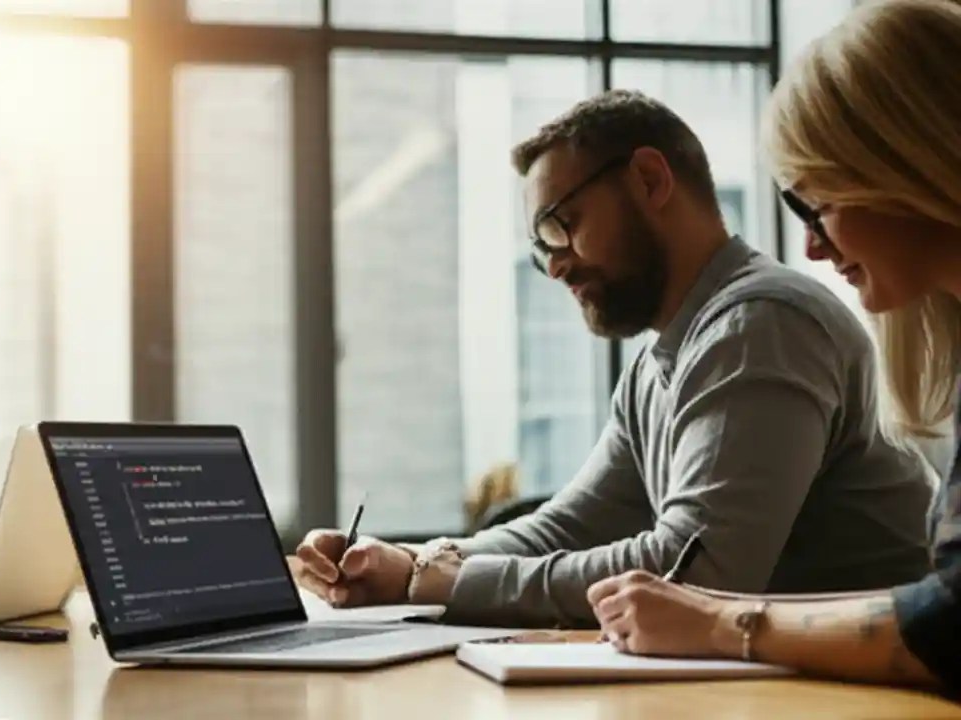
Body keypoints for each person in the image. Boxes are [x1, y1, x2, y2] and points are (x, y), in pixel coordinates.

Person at [293, 89, 935, 629]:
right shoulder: (665, 360)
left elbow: (694, 571)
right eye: (541, 245)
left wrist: (441, 582)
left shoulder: (759, 324)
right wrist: (410, 564)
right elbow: (566, 526)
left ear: (651, 180)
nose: (553, 265)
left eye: (560, 224)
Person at [586, 0, 960, 695]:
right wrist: (431, 568)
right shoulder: (653, 367)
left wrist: (719, 623)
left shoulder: (763, 322)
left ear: (903, 167)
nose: (812, 245)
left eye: (814, 204)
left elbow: (951, 627)